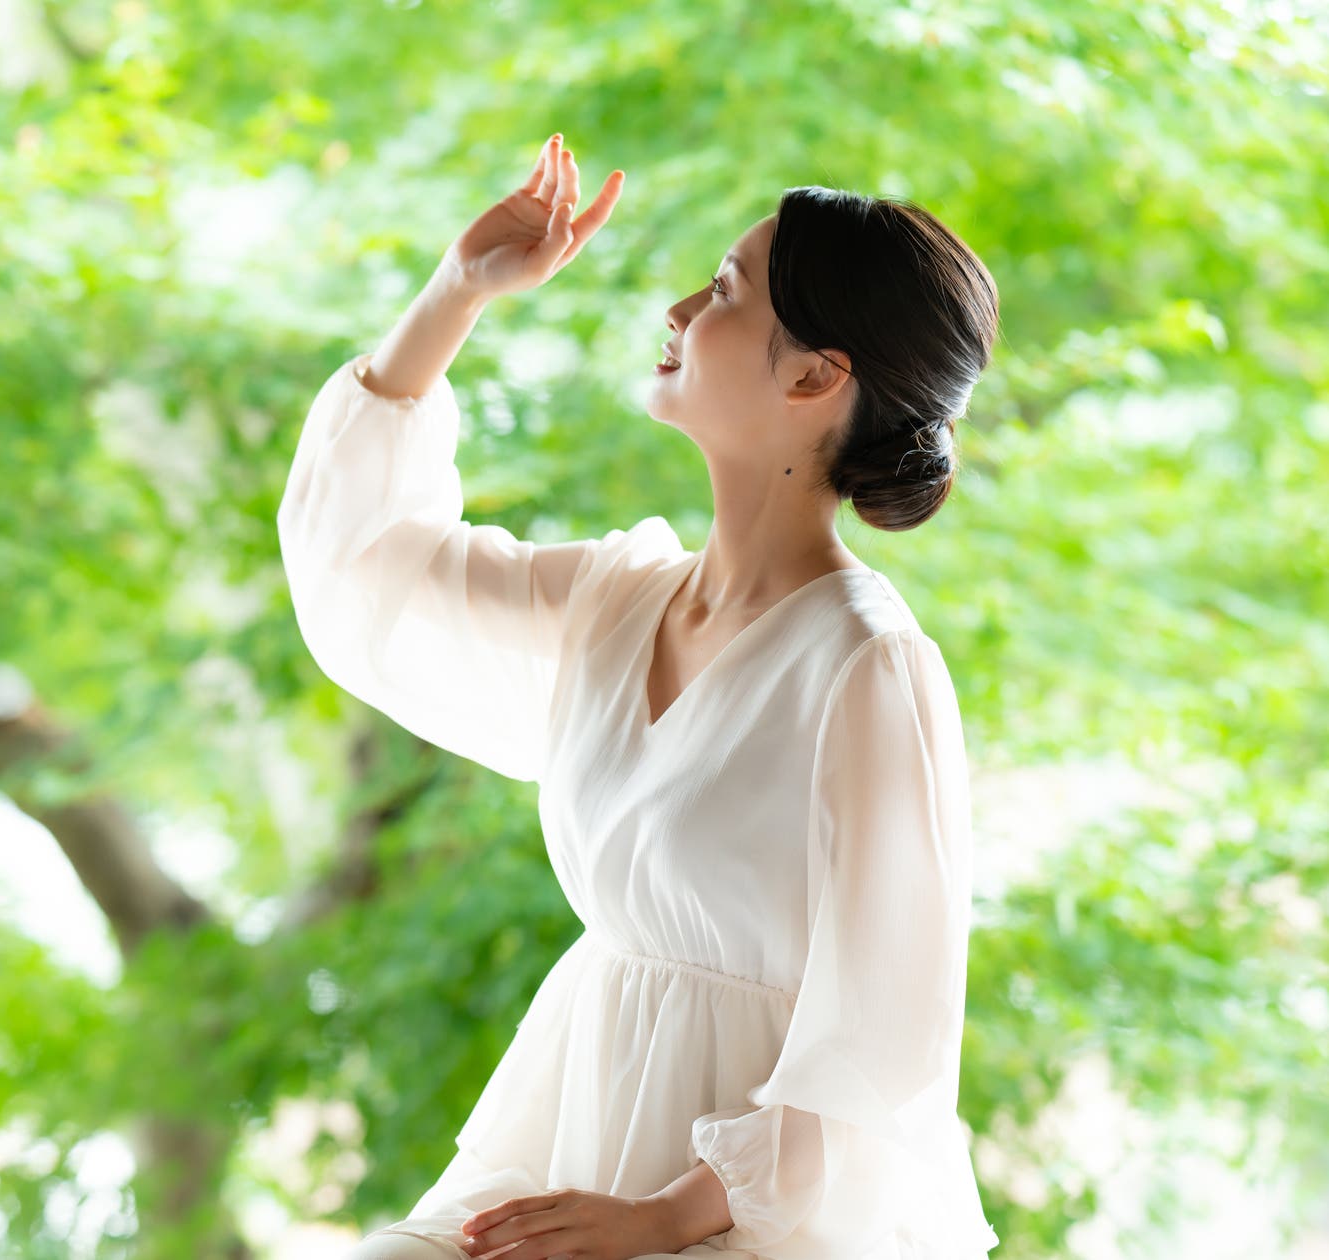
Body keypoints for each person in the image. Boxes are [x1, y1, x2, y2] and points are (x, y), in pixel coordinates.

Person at [277, 132, 1003, 1260]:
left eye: (722, 290)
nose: (677, 307)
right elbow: (367, 563)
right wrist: (456, 292)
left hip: (760, 1212)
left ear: (815, 375)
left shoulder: (866, 665)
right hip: (570, 1142)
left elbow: (883, 1036)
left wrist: (665, 1219)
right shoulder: (616, 603)